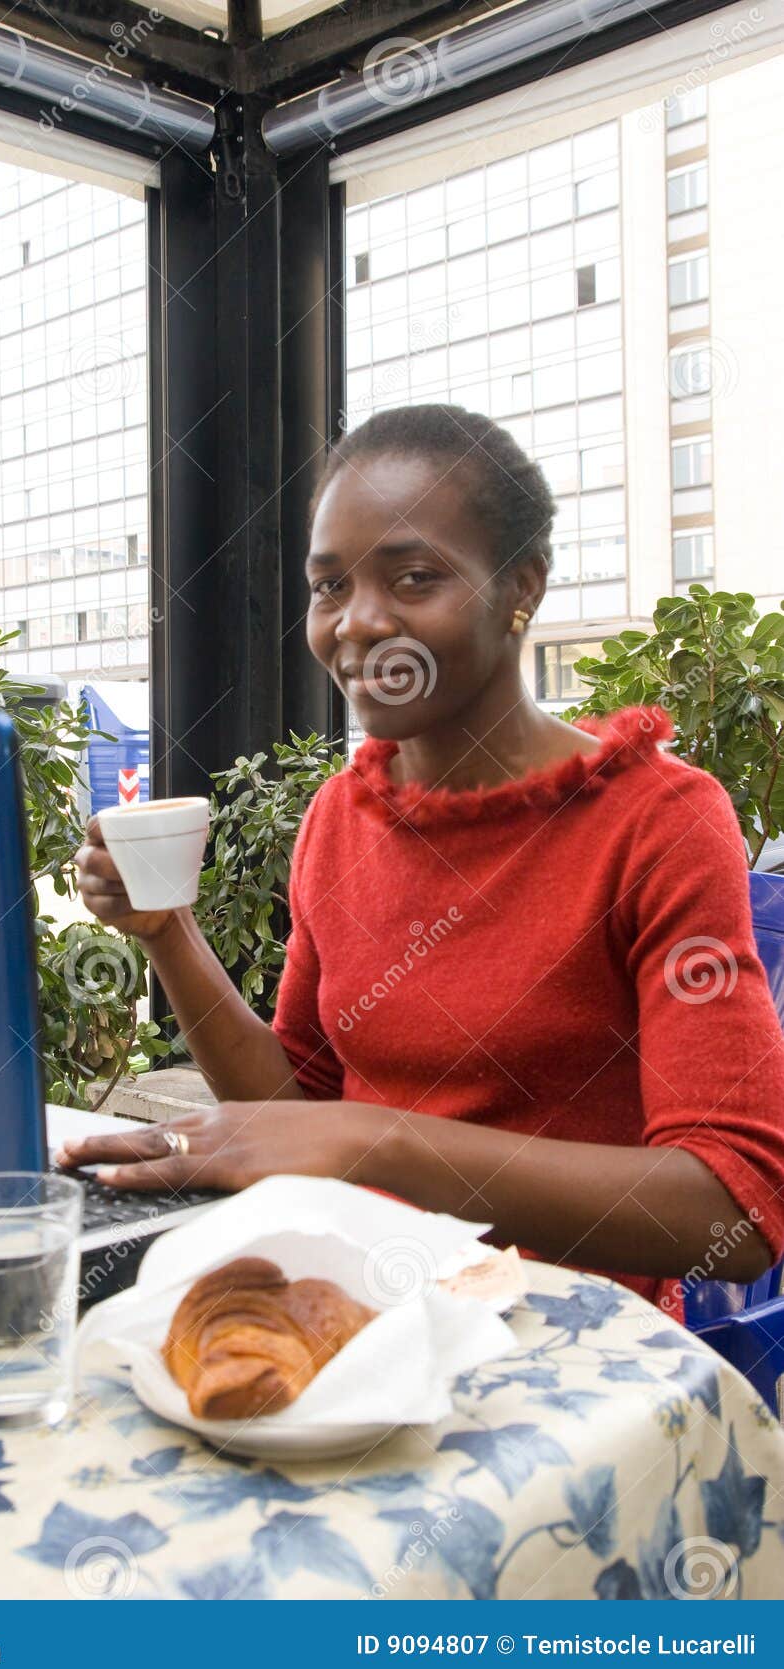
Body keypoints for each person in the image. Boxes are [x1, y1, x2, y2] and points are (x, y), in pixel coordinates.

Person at [58, 403, 784, 1310]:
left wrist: (378, 1143)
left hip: (557, 1331)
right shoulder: (340, 816)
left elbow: (733, 1210)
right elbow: (299, 1108)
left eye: (413, 578)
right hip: (362, 1300)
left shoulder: (656, 821)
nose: (357, 623)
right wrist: (167, 931)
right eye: (329, 586)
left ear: (521, 587)